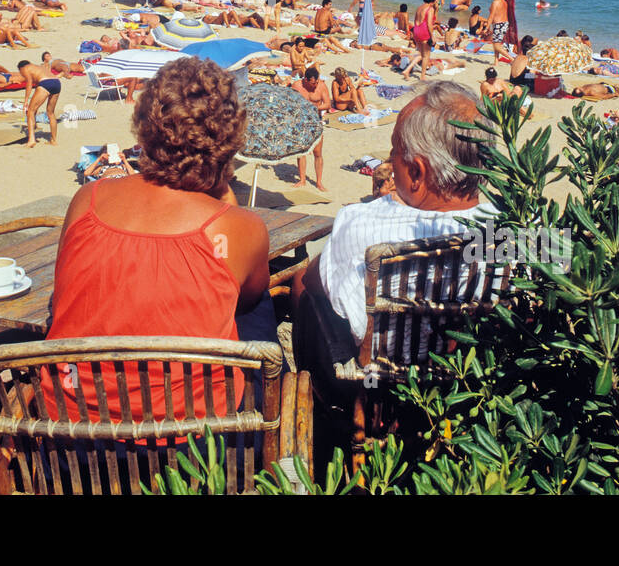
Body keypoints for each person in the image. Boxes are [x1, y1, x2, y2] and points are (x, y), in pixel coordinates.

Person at [46, 58, 272, 420]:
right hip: (191, 444)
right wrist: (225, 196)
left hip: (73, 428)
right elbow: (245, 302)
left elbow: (61, 301)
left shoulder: (87, 200)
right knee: (257, 302)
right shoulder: (239, 227)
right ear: (228, 137)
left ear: (144, 128)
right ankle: (270, 430)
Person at [293, 82, 497, 358]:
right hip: (468, 378)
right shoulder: (513, 231)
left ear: (416, 173)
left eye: (394, 153)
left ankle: (319, 394)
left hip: (378, 384)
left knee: (302, 283)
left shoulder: (362, 221)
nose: (389, 161)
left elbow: (317, 282)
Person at [293, 66, 330, 191]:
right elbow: (290, 104)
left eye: (317, 82)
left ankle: (319, 182)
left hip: (316, 121)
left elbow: (327, 104)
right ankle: (302, 179)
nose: (315, 85)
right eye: (313, 83)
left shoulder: (321, 86)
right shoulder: (297, 86)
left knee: (318, 153)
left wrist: (314, 108)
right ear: (306, 80)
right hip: (301, 122)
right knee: (302, 152)